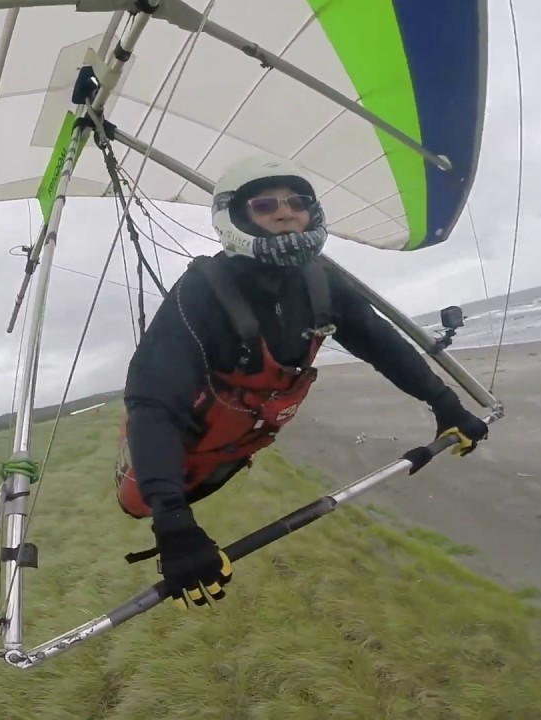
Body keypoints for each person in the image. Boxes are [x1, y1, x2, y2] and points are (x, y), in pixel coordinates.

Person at [115, 154, 489, 610]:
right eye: (265, 204)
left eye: (298, 201)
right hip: (185, 442)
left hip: (244, 441)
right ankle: (162, 499)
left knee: (215, 477)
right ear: (234, 216)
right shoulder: (203, 292)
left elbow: (383, 346)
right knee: (138, 503)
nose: (286, 211)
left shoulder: (322, 282)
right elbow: (153, 404)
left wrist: (446, 404)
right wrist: (173, 525)